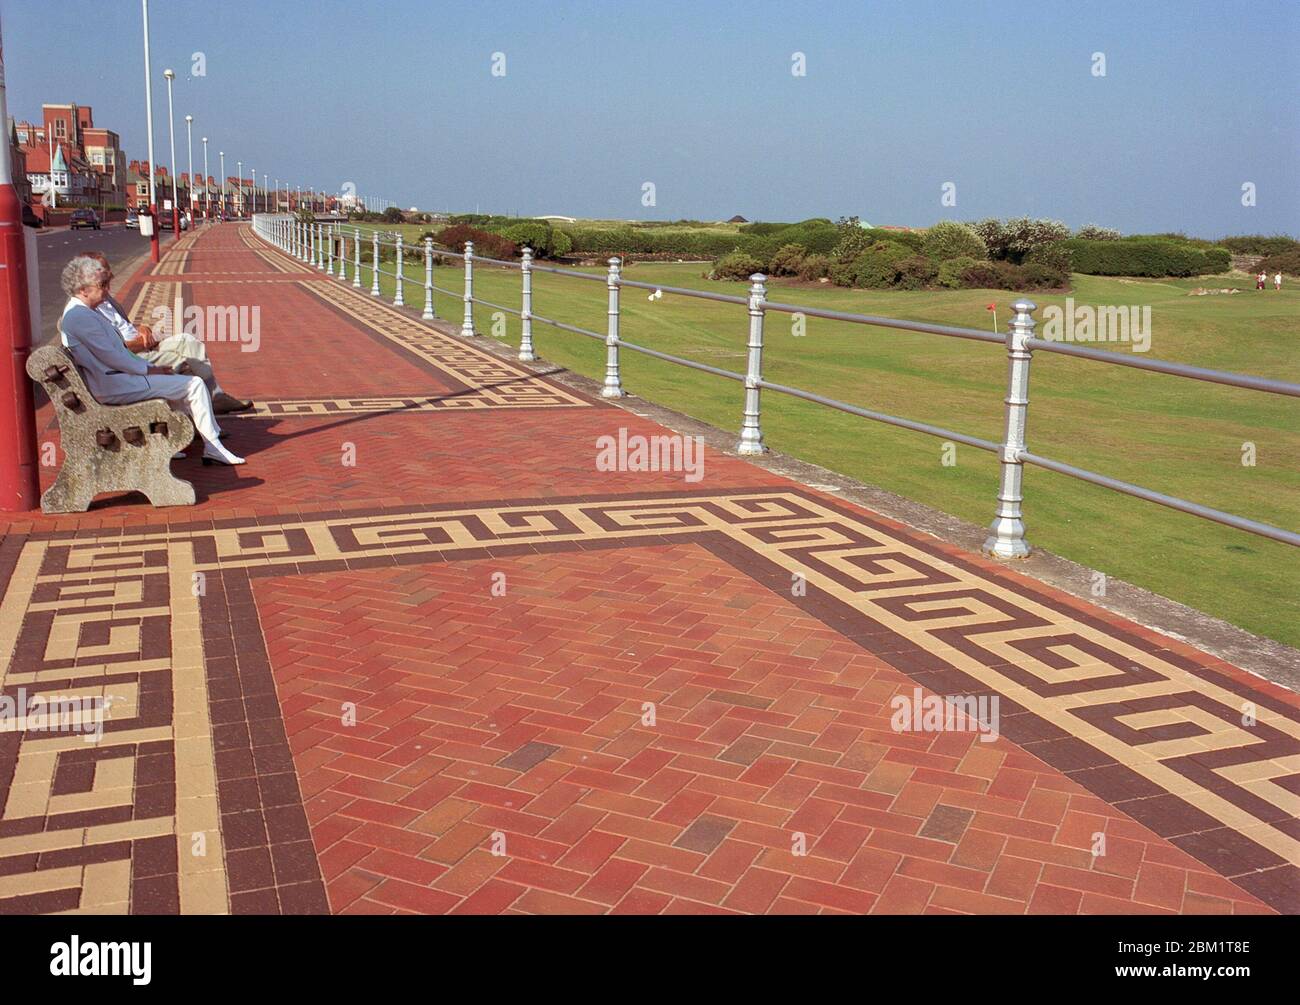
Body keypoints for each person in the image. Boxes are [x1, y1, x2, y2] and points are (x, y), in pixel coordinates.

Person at [57, 255, 245, 466]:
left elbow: (115, 353)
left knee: (177, 383)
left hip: (110, 380)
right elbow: (114, 357)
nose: (107, 289)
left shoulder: (80, 313)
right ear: (83, 289)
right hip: (113, 385)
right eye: (102, 285)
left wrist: (150, 368)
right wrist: (149, 370)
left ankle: (171, 442)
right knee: (194, 385)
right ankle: (213, 447)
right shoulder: (80, 317)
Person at [81, 251, 253, 414]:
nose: (109, 275)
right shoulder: (86, 310)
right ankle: (195, 416)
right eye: (103, 272)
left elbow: (122, 326)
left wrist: (140, 328)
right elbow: (112, 349)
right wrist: (144, 342)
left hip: (141, 345)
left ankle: (215, 396)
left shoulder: (105, 299)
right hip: (130, 357)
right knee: (180, 361)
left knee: (188, 341)